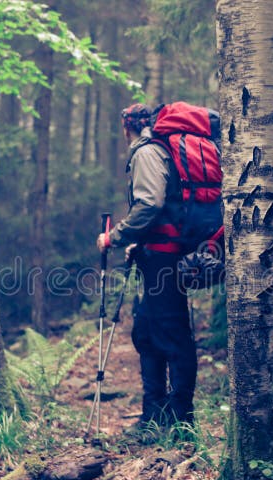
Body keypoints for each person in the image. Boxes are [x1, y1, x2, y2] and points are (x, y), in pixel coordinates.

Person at [96, 104, 197, 429]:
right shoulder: (156, 150)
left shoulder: (147, 152)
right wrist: (138, 243)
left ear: (128, 127)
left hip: (166, 259)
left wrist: (115, 236)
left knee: (172, 334)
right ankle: (153, 416)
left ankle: (180, 419)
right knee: (146, 333)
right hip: (156, 254)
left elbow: (151, 203)